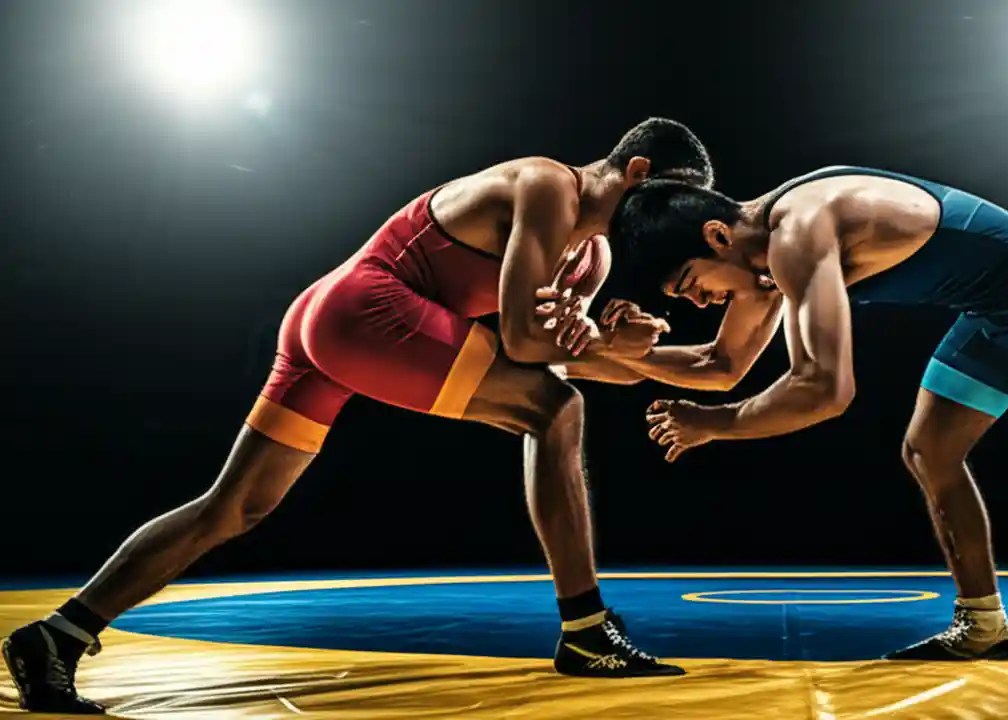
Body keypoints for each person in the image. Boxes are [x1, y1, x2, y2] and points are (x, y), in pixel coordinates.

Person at [2, 118, 704, 714]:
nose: (666, 225)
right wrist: (608, 346)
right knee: (556, 413)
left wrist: (632, 348)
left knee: (236, 506)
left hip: (331, 318)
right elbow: (527, 346)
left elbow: (556, 358)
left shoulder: (593, 260)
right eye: (666, 200)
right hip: (367, 307)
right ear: (635, 169)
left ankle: (59, 634)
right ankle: (585, 628)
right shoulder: (550, 187)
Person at [542, 168, 1008, 661]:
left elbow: (825, 389)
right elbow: (718, 366)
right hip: (990, 306)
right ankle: (984, 628)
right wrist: (589, 356)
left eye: (692, 284)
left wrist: (721, 425)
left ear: (714, 239)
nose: (698, 302)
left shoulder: (799, 234)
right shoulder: (758, 255)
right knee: (930, 450)